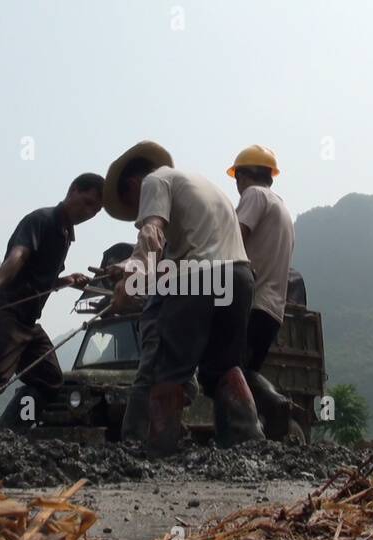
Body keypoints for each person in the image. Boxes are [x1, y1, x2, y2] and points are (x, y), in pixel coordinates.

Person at [103, 141, 264, 456]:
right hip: (239, 277)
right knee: (223, 368)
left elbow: (151, 235)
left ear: (134, 185)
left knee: (168, 368)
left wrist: (127, 286)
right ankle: (249, 443)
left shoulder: (153, 181)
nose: (139, 211)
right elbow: (176, 255)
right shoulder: (201, 186)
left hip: (198, 278)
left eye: (135, 204)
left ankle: (160, 449)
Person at [0, 174, 104, 433]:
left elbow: (38, 280)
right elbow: (18, 256)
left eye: (95, 210)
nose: (88, 212)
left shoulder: (65, 235)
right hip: (7, 312)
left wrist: (65, 280)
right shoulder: (42, 220)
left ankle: (7, 433)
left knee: (49, 379)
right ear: (73, 190)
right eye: (87, 202)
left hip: (29, 323)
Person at [228, 145, 296, 439]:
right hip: (272, 309)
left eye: (236, 177)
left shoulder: (254, 196)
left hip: (252, 303)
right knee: (243, 369)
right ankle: (254, 434)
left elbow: (232, 240)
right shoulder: (282, 208)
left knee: (228, 369)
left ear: (243, 176)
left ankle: (274, 404)